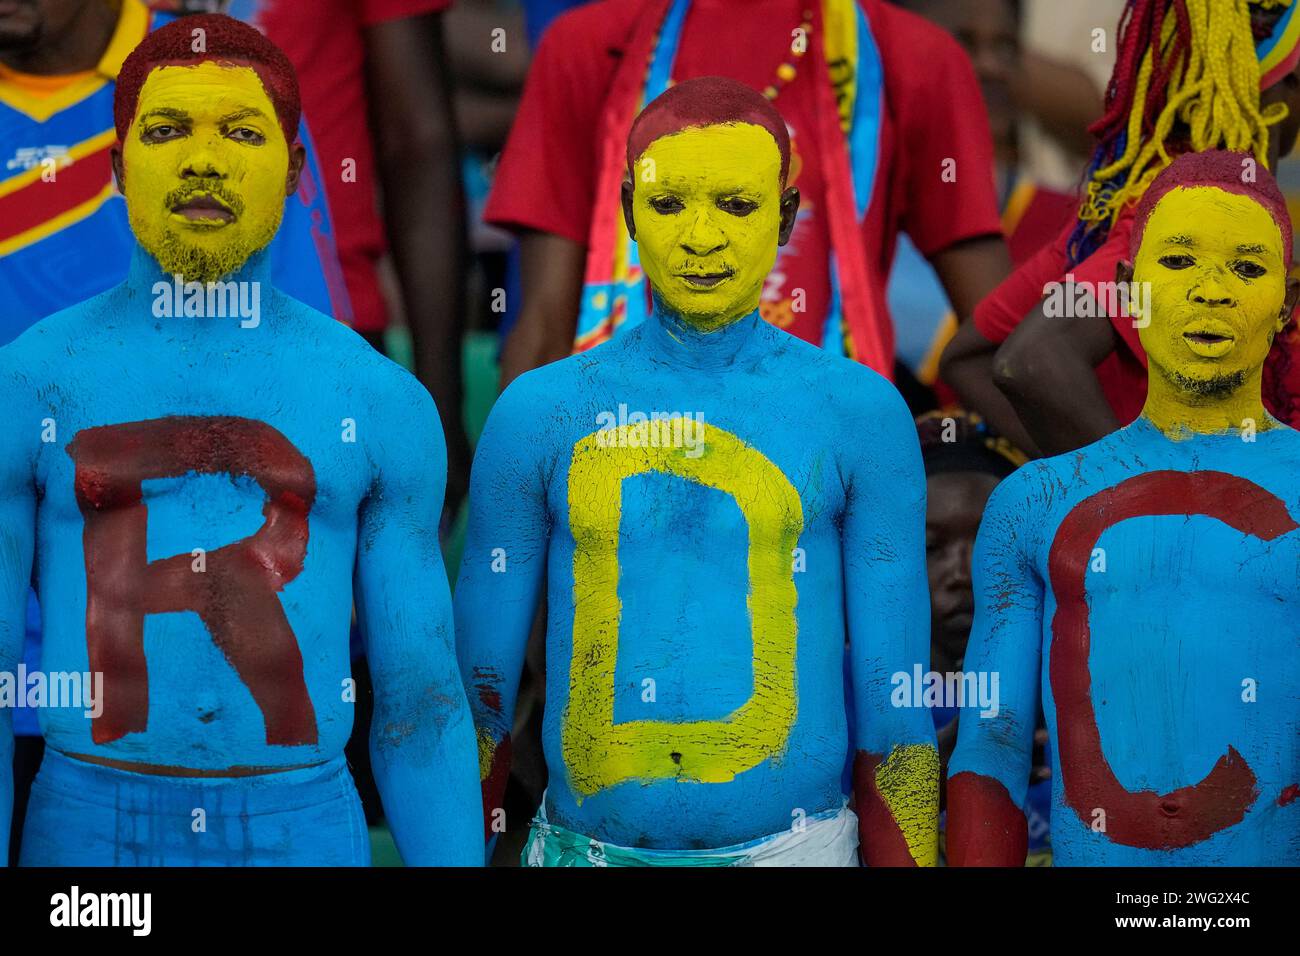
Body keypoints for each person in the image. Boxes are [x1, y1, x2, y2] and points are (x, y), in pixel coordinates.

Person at [0, 14, 480, 866]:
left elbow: (420, 706)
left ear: (297, 170)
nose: (203, 161)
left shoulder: (377, 402)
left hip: (303, 825)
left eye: (242, 132)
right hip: (83, 822)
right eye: (167, 130)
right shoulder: (28, 385)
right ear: (118, 169)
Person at [457, 77, 937, 867]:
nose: (701, 237)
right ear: (627, 212)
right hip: (583, 848)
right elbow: (476, 702)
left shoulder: (858, 415)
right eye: (671, 204)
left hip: (799, 848)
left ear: (785, 218)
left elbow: (896, 721)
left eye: (737, 206)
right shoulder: (538, 414)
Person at [949, 150, 1300, 866]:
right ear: (1124, 291)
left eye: (1246, 267)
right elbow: (993, 740)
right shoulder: (1032, 503)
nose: (1212, 291)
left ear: (1287, 305)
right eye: (1178, 262)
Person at [485, 0, 1012, 390]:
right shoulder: (587, 44)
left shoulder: (913, 57)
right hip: (622, 442)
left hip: (823, 450)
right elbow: (544, 327)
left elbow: (997, 336)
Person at [942, 0, 1300, 457]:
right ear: (1287, 84)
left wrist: (1080, 476)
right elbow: (1030, 360)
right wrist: (1141, 491)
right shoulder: (1190, 213)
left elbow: (969, 357)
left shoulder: (1129, 198)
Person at [913, 411, 1051, 864]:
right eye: (932, 547)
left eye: (994, 542)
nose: (964, 573)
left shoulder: (1080, 689)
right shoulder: (842, 692)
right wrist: (935, 777)